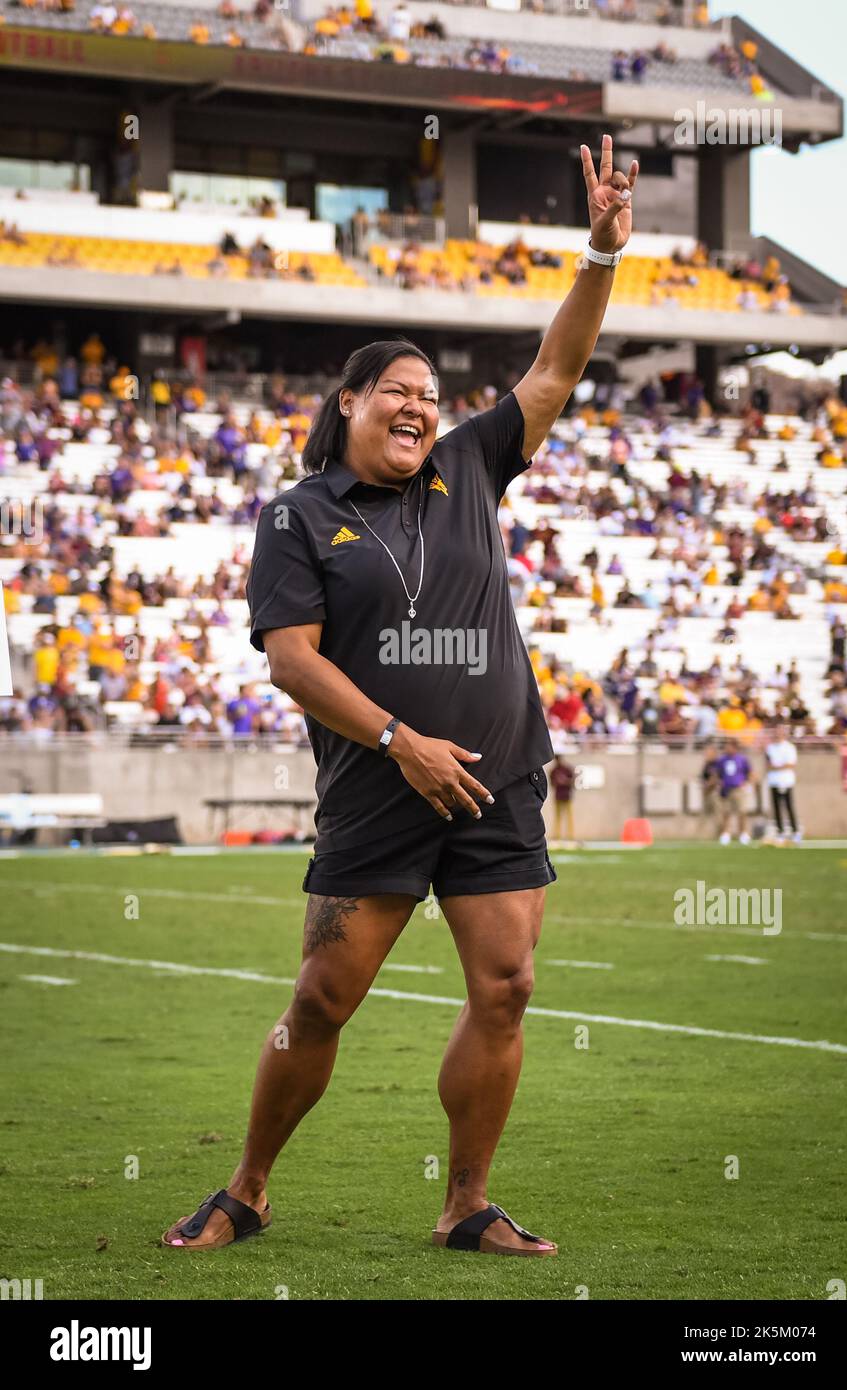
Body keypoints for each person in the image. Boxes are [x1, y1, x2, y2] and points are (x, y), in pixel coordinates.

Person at [162, 135, 639, 1256]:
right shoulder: (295, 513)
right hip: (378, 785)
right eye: (398, 391)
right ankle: (248, 1187)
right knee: (324, 999)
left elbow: (555, 370)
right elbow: (288, 658)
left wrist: (601, 256)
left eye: (431, 392)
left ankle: (464, 1200)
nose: (421, 405)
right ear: (351, 405)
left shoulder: (471, 463)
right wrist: (396, 738)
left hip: (496, 774)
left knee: (508, 986)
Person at [764, 722, 800, 843]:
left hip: (786, 781)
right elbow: (768, 764)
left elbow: (791, 764)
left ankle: (795, 831)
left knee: (789, 806)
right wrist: (776, 766)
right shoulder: (770, 747)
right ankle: (780, 832)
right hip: (773, 781)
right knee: (776, 808)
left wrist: (777, 767)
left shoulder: (789, 747)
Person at [714, 738, 752, 844]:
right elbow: (718, 774)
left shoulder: (742, 759)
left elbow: (749, 773)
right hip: (726, 789)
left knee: (742, 812)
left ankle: (743, 833)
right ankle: (726, 833)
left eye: (729, 746)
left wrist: (746, 783)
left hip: (738, 789)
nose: (727, 748)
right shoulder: (722, 760)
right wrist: (719, 783)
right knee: (726, 812)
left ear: (735, 747)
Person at [549, 754, 577, 843]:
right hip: (558, 796)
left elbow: (573, 781)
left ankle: (570, 837)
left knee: (569, 817)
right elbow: (552, 783)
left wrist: (565, 781)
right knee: (558, 817)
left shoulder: (567, 769)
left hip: (567, 795)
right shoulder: (553, 770)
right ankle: (557, 837)